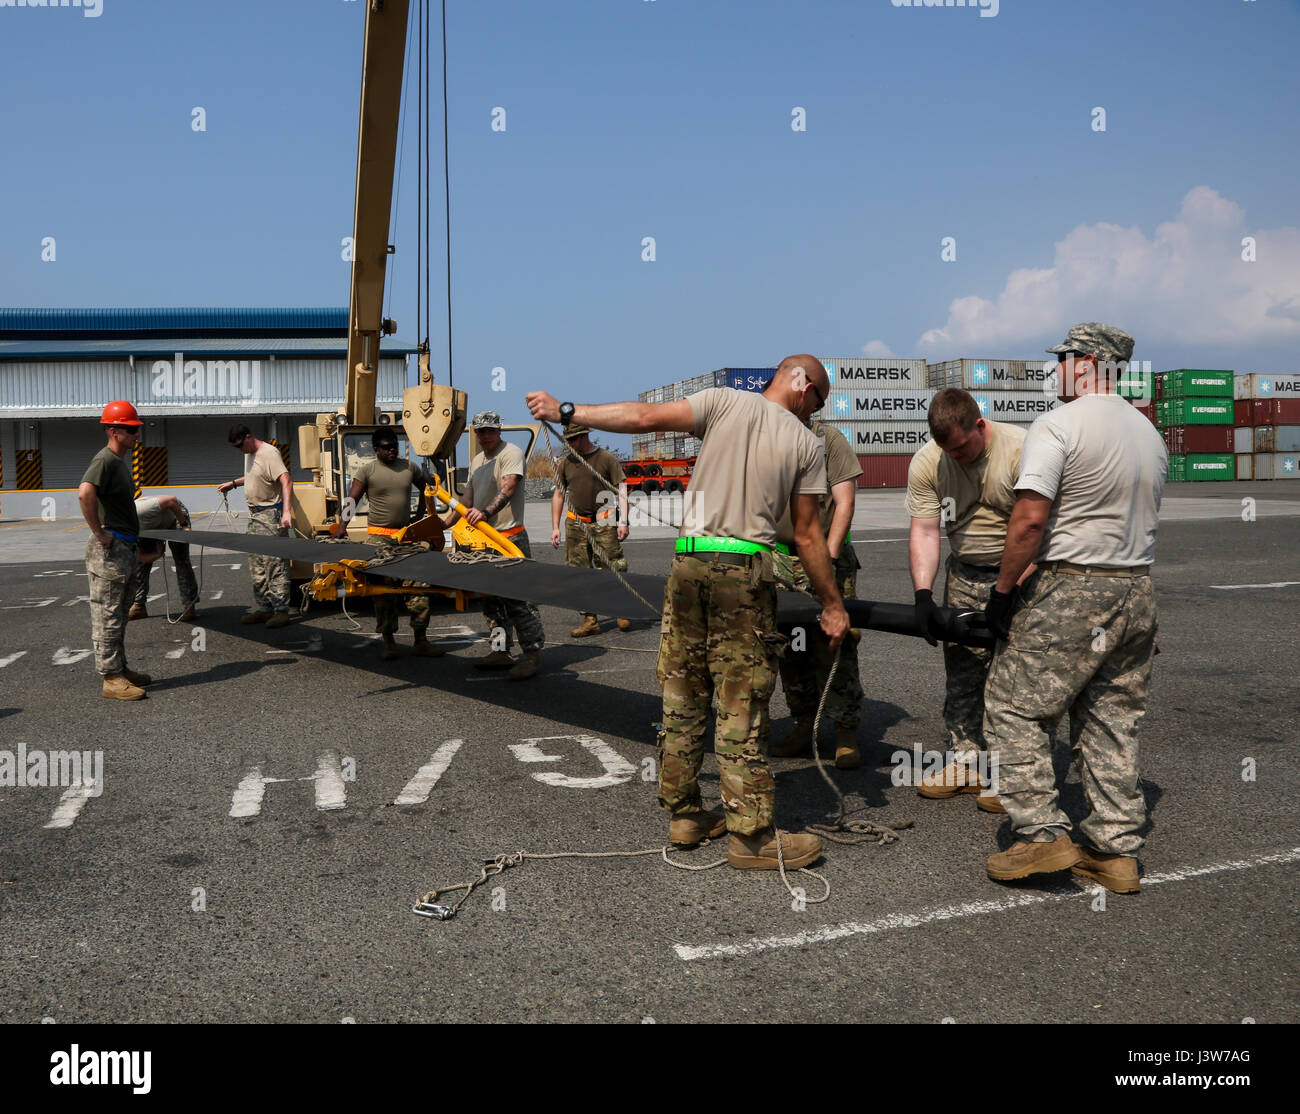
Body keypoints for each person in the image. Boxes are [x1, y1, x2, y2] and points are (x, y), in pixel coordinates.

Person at [526, 355, 850, 872]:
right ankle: (751, 837)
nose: (817, 411)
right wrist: (832, 603)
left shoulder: (723, 403)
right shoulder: (805, 443)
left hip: (688, 563)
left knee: (683, 694)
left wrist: (569, 410)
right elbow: (807, 533)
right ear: (803, 385)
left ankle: (685, 816)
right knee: (741, 701)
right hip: (744, 571)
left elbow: (644, 418)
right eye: (820, 399)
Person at [981, 323, 1167, 895]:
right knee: (1112, 717)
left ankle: (1041, 834)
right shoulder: (1148, 433)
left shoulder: (1058, 425)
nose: (1055, 369)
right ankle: (1115, 853)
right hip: (1136, 588)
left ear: (1086, 362)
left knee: (1012, 704)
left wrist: (1003, 592)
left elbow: (1031, 518)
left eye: (1062, 359)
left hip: (1073, 588)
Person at [905, 389, 1027, 812]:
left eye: (961, 447)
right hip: (964, 573)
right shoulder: (929, 461)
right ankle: (966, 762)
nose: (955, 457)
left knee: (1017, 678)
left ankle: (1016, 775)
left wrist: (1007, 591)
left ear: (980, 424)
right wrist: (923, 595)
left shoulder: (1022, 450)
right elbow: (925, 530)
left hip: (1023, 575)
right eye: (946, 450)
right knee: (963, 672)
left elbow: (1040, 531)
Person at [768, 419, 865, 769]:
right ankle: (804, 724)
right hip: (781, 559)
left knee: (834, 643)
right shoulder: (769, 438)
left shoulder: (829, 440)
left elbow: (845, 503)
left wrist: (830, 559)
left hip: (827, 556)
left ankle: (845, 732)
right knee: (791, 647)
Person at [442, 411, 545, 681]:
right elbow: (467, 498)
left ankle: (532, 655)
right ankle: (500, 651)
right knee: (492, 601)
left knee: (519, 600)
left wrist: (485, 513)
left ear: (499, 431)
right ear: (475, 433)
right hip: (484, 542)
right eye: (481, 431)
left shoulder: (510, 453)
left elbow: (508, 488)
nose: (485, 435)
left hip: (509, 539)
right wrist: (445, 522)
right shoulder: (477, 461)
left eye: (490, 430)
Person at [344, 429, 445, 661]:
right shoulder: (367, 470)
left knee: (419, 584)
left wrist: (421, 517)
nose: (392, 450)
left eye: (394, 446)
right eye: (386, 446)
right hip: (378, 537)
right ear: (376, 449)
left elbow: (427, 487)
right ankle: (388, 642)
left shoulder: (409, 467)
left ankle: (421, 640)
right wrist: (342, 526)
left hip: (405, 536)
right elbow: (352, 500)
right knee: (383, 589)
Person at [77, 401, 150, 700]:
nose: (136, 435)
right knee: (107, 614)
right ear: (113, 430)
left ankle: (119, 668)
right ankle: (110, 678)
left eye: (136, 429)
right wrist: (98, 531)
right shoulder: (105, 460)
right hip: (110, 549)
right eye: (131, 429)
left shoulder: (118, 462)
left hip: (123, 547)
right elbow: (85, 493)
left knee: (119, 613)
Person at [549, 423, 632, 637]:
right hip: (576, 523)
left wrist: (623, 521)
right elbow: (559, 494)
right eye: (567, 440)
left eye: (573, 439)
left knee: (613, 566)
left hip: (603, 521)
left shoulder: (606, 459)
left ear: (585, 436)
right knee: (579, 572)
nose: (570, 444)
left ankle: (621, 609)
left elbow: (621, 489)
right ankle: (590, 620)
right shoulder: (565, 463)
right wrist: (555, 527)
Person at [217, 425, 293, 629]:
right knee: (257, 563)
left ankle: (281, 611)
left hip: (271, 514)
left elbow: (285, 480)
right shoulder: (249, 453)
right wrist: (233, 484)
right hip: (255, 515)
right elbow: (256, 476)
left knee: (274, 563)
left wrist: (286, 512)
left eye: (240, 445)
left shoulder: (269, 453)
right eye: (236, 447)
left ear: (249, 437)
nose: (239, 449)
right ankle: (264, 608)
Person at [131, 495, 198, 622]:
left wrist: (183, 524)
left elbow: (171, 500)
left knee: (181, 560)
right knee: (140, 565)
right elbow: (141, 557)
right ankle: (139, 606)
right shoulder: (125, 532)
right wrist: (156, 554)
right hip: (151, 526)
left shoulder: (140, 510)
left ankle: (189, 605)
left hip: (175, 516)